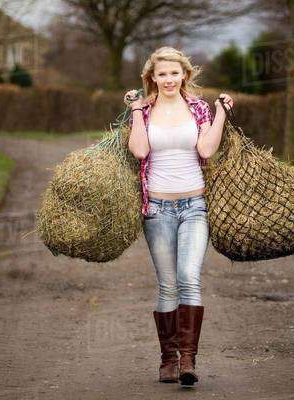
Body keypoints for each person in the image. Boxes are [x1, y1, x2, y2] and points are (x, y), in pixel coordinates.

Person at [124, 46, 233, 387]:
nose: (169, 79)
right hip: (156, 209)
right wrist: (137, 112)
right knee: (168, 284)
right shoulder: (144, 109)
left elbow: (206, 149)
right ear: (152, 78)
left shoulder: (198, 108)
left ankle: (188, 359)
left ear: (184, 75)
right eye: (162, 74)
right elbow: (140, 150)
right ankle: (167, 359)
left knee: (189, 276)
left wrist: (221, 114)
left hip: (194, 206)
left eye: (175, 73)